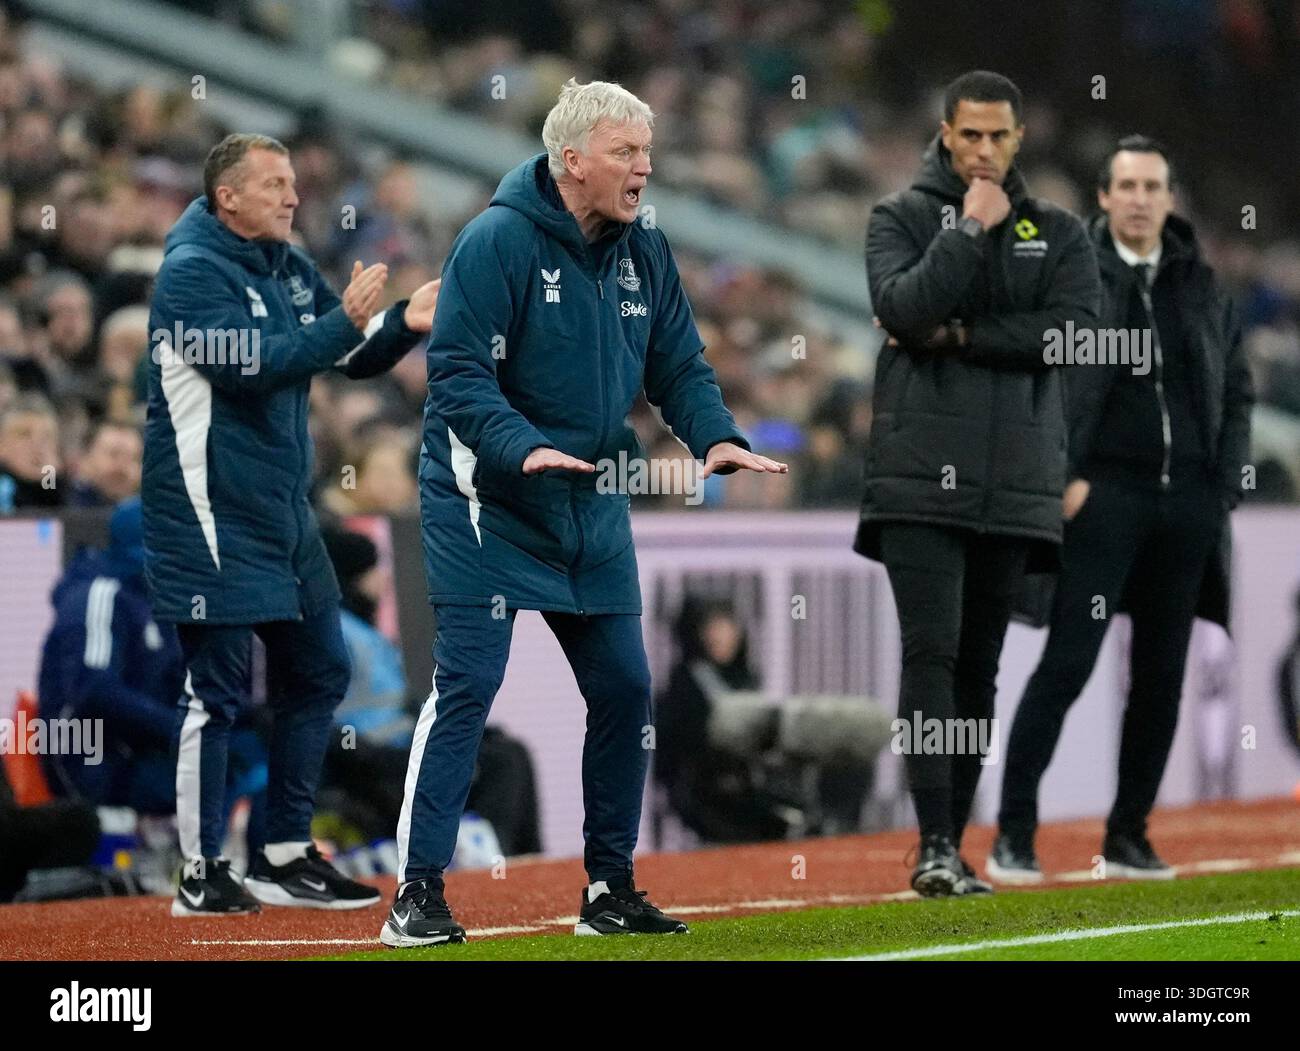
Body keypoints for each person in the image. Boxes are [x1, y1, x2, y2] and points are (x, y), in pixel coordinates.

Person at [384, 78, 787, 947]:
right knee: (467, 689)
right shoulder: (493, 241)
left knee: (626, 688)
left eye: (647, 150)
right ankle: (415, 892)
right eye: (625, 152)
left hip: (592, 495)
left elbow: (679, 364)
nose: (645, 167)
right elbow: (455, 374)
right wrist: (516, 442)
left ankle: (609, 886)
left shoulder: (647, 247)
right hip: (485, 500)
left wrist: (715, 435)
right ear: (571, 160)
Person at [143, 132, 441, 916]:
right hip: (208, 510)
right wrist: (345, 325)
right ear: (226, 197)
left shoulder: (283, 264)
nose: (292, 194)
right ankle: (202, 868)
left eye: (290, 181)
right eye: (272, 183)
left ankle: (280, 852)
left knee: (318, 669)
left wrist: (406, 320)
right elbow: (259, 365)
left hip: (280, 510)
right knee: (217, 692)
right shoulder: (188, 275)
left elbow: (345, 354)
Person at [858, 71, 1100, 896]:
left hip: (1018, 481)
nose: (985, 151)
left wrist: (963, 333)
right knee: (933, 653)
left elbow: (1075, 335)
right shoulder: (900, 216)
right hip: (920, 478)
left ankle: (952, 844)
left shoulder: (1060, 231)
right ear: (945, 133)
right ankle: (931, 844)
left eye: (999, 136)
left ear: (1021, 136)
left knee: (981, 667)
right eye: (971, 136)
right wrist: (964, 230)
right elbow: (904, 308)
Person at [991, 136, 1254, 883]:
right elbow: (1036, 379)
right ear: (1103, 197)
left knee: (1163, 676)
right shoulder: (1072, 277)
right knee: (1068, 664)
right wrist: (1065, 478)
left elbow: (1235, 386)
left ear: (1170, 197)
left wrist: (1224, 486)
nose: (1141, 198)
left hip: (1188, 508)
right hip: (1104, 502)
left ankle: (1130, 834)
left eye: (1153, 185)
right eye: (1127, 185)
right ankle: (1014, 833)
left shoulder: (1201, 283)